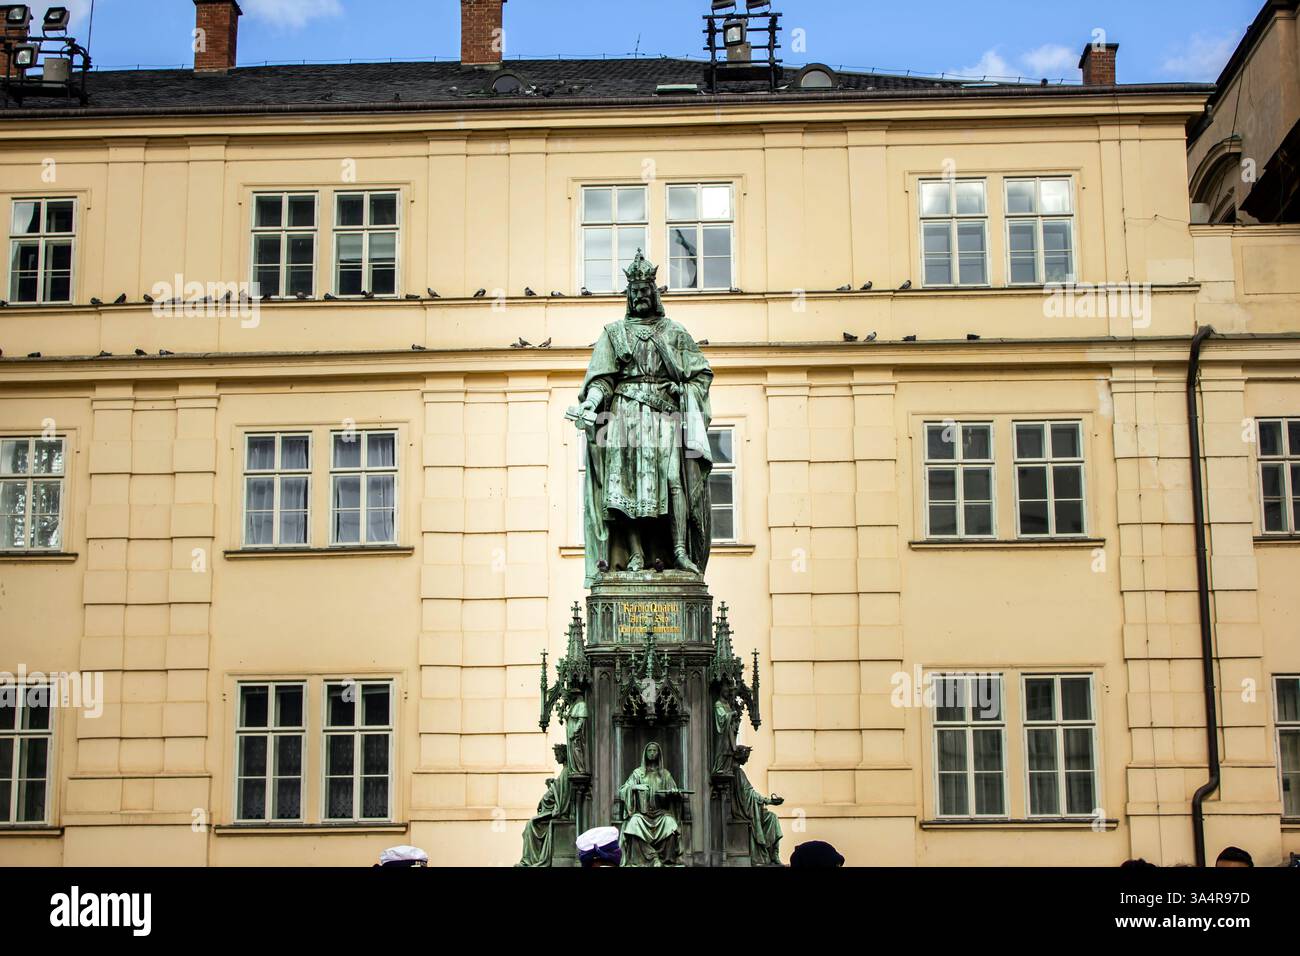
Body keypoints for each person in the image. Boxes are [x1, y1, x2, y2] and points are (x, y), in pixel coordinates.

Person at [617, 741, 687, 866]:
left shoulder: (665, 775)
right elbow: (623, 790)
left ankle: (667, 860)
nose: (652, 753)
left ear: (659, 754)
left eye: (655, 751)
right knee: (633, 823)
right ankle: (650, 858)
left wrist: (675, 794)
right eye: (650, 750)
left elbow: (676, 794)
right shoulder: (638, 773)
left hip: (661, 814)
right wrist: (635, 787)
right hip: (643, 815)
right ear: (645, 754)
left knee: (670, 823)